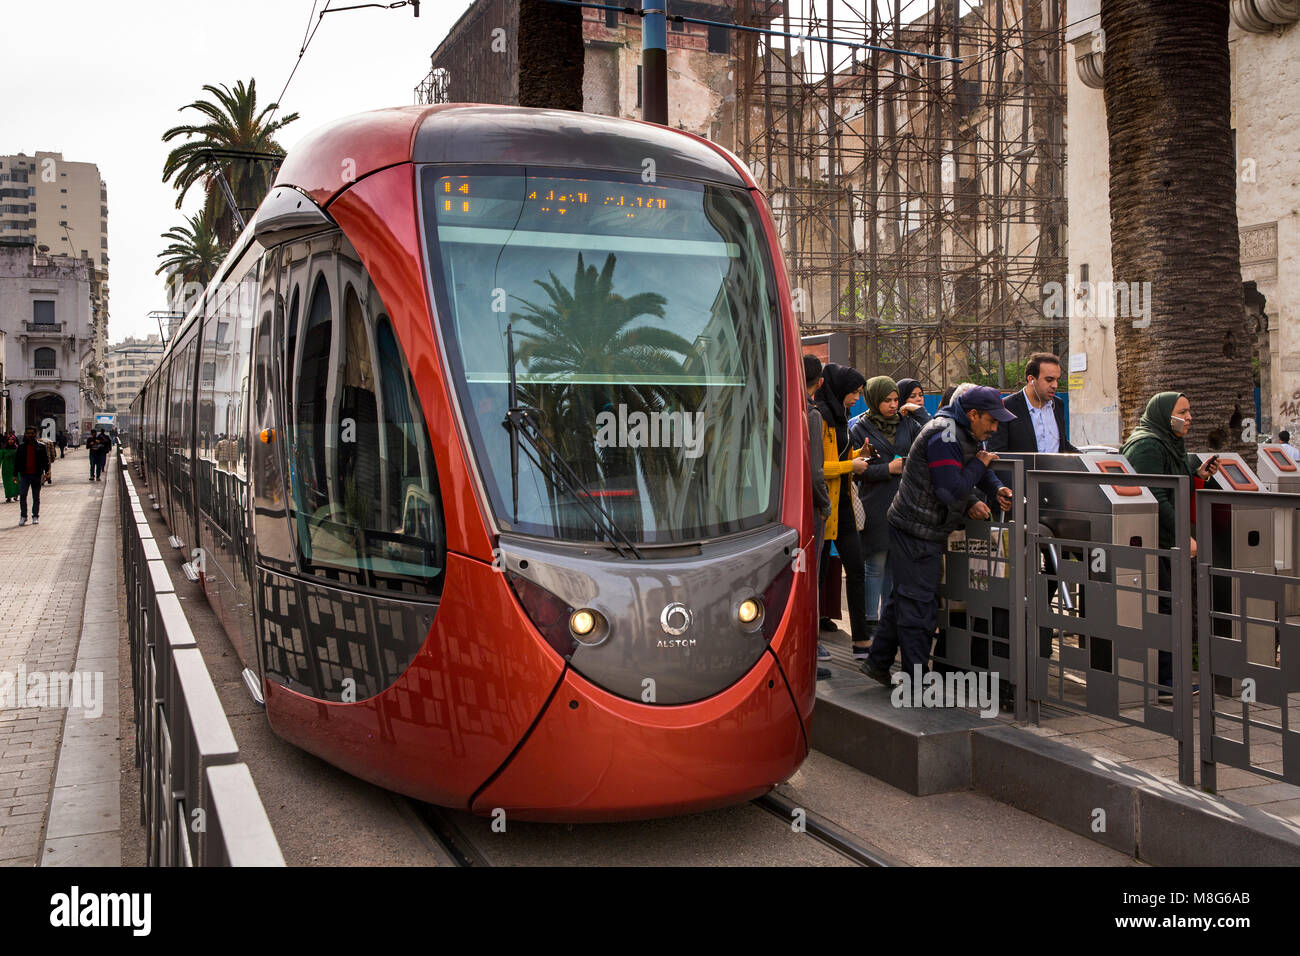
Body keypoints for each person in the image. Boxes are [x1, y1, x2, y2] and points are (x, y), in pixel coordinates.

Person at [861, 386, 1016, 684]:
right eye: (992, 421)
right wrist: (978, 466)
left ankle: (877, 663)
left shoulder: (962, 431)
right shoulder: (944, 434)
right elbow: (951, 490)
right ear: (973, 414)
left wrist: (995, 488)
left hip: (921, 526)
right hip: (917, 528)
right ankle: (917, 682)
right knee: (919, 605)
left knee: (904, 599)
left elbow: (975, 463)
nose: (995, 428)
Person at [1121, 392, 1220, 689]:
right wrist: (1182, 535)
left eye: (1190, 411)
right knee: (1162, 608)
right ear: (1165, 414)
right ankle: (1164, 680)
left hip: (1165, 543)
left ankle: (1168, 676)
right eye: (1183, 412)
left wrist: (1194, 471)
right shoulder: (1148, 444)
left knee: (1168, 606)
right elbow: (1157, 495)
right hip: (1155, 542)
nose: (1189, 417)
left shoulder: (1167, 441)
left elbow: (1170, 476)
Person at [849, 376, 924, 653]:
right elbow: (858, 468)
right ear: (874, 400)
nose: (893, 405)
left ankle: (887, 624)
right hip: (876, 503)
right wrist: (887, 470)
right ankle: (870, 621)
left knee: (895, 565)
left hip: (905, 502)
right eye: (887, 400)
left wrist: (920, 412)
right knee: (875, 564)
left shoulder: (908, 424)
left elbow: (928, 441)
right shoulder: (860, 428)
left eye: (896, 400)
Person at [815, 363, 873, 657]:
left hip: (845, 507)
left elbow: (837, 456)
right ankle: (812, 639)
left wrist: (857, 454)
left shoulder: (840, 416)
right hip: (824, 510)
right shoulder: (820, 418)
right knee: (818, 576)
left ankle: (862, 639)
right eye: (854, 392)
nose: (856, 398)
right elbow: (819, 468)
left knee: (857, 569)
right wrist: (852, 465)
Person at [805, 355, 835, 680]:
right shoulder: (812, 415)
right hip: (809, 508)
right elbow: (816, 473)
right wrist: (824, 504)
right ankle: (810, 653)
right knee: (810, 579)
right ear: (821, 383)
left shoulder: (781, 406)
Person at [986, 352, 1079, 453]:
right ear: (1031, 379)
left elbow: (1063, 445)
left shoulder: (1058, 404)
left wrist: (1089, 460)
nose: (1055, 385)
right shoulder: (1006, 407)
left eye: (1057, 380)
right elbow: (997, 453)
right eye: (1049, 380)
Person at [14, 426, 51, 526]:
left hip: (36, 475)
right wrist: (14, 475)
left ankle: (35, 516)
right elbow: (17, 462)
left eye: (32, 433)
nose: (30, 435)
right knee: (22, 496)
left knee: (36, 497)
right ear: (26, 434)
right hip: (24, 475)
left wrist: (47, 472)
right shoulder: (21, 447)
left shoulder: (41, 446)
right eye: (28, 433)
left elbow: (45, 461)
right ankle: (23, 516)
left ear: (35, 434)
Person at [1, 434, 17, 503]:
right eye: (9, 439)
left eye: (12, 439)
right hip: (6, 470)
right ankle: (8, 496)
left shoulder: (17, 449)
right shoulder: (3, 450)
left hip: (15, 469)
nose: (10, 441)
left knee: (15, 482)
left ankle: (16, 495)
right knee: (7, 483)